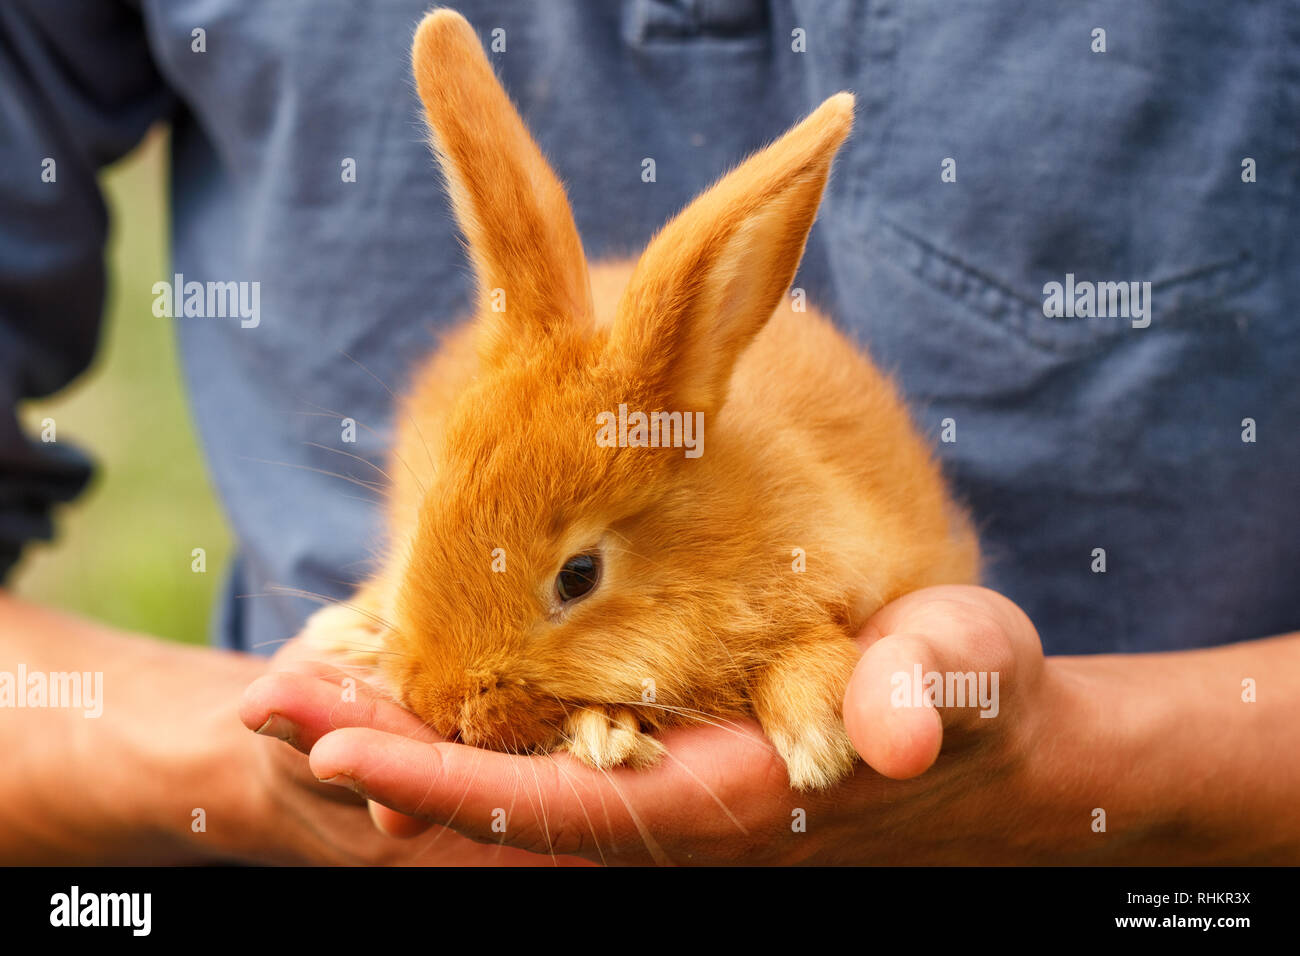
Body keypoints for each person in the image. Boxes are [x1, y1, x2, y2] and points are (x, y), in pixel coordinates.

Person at [2, 0, 1296, 864]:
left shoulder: (756, 523)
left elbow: (855, 590)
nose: (452, 711)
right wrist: (255, 768)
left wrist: (1081, 768)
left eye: (575, 581)